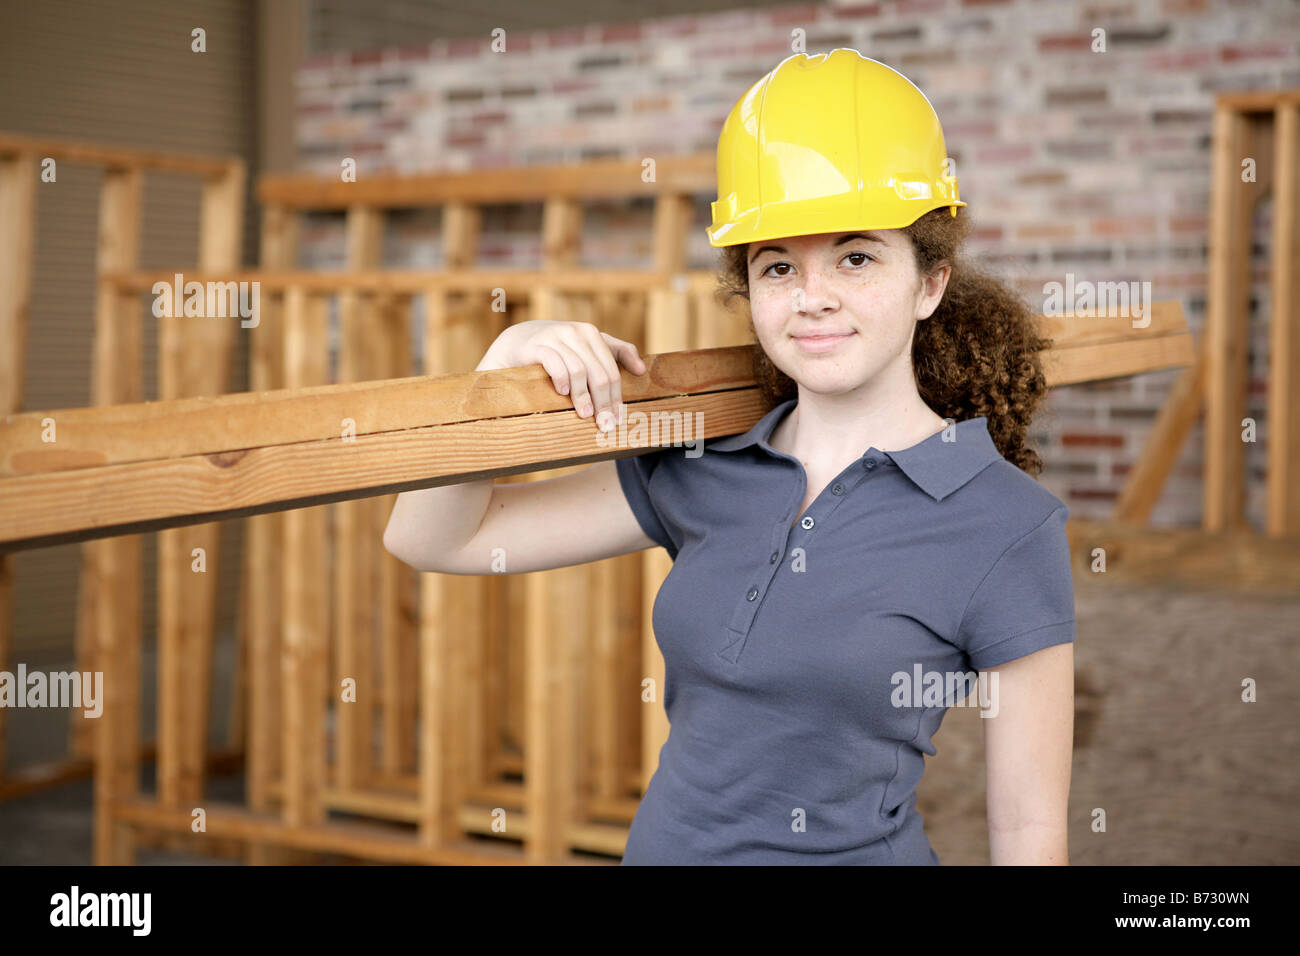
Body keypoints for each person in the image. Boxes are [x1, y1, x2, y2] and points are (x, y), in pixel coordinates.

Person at [384, 48, 1076, 865]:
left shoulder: (1005, 524)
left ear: (929, 283)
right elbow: (433, 540)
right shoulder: (702, 466)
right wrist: (500, 362)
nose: (812, 296)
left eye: (857, 257)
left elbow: (1029, 830)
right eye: (778, 266)